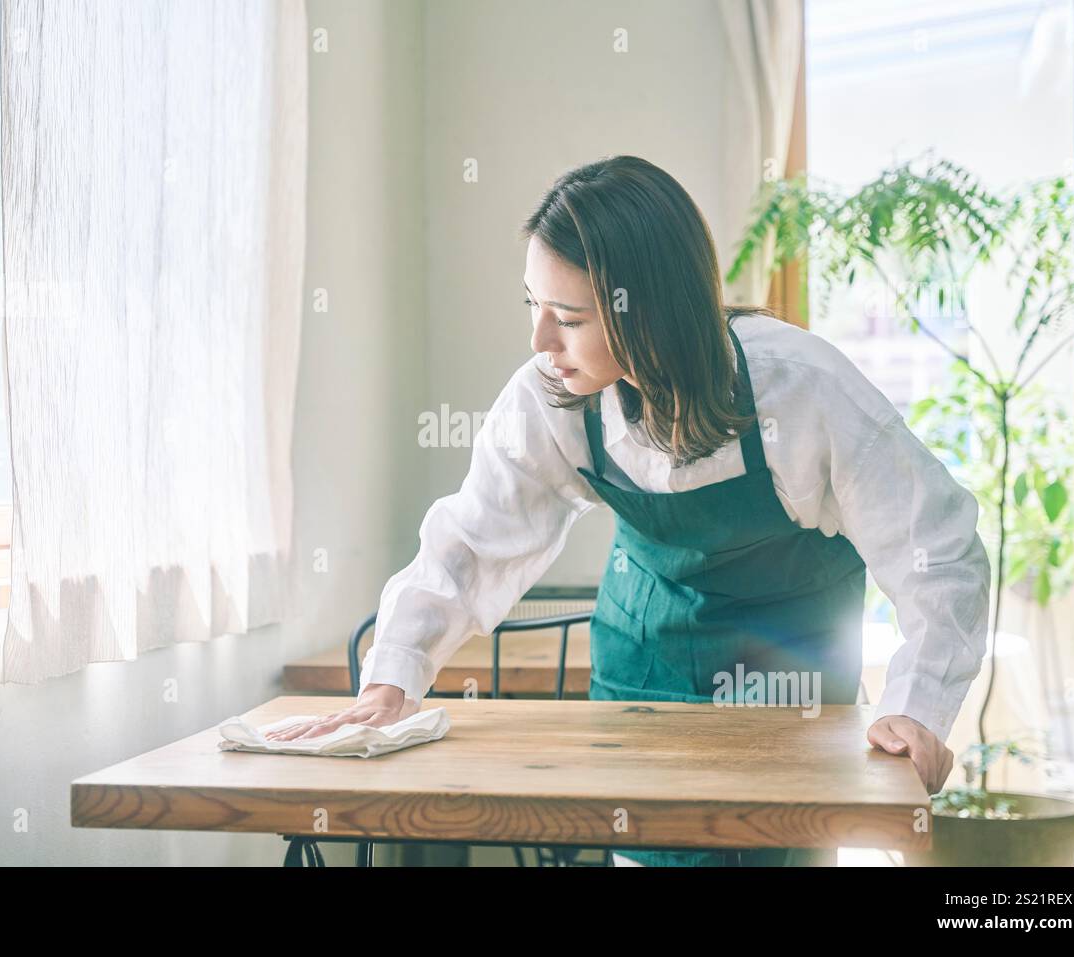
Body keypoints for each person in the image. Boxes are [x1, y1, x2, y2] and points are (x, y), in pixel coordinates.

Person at [265, 155, 990, 867]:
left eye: (568, 317)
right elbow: (473, 542)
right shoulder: (551, 394)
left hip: (791, 697)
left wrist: (916, 709)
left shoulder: (800, 388)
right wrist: (392, 679)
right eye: (533, 306)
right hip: (640, 686)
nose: (540, 341)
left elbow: (938, 548)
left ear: (647, 312)